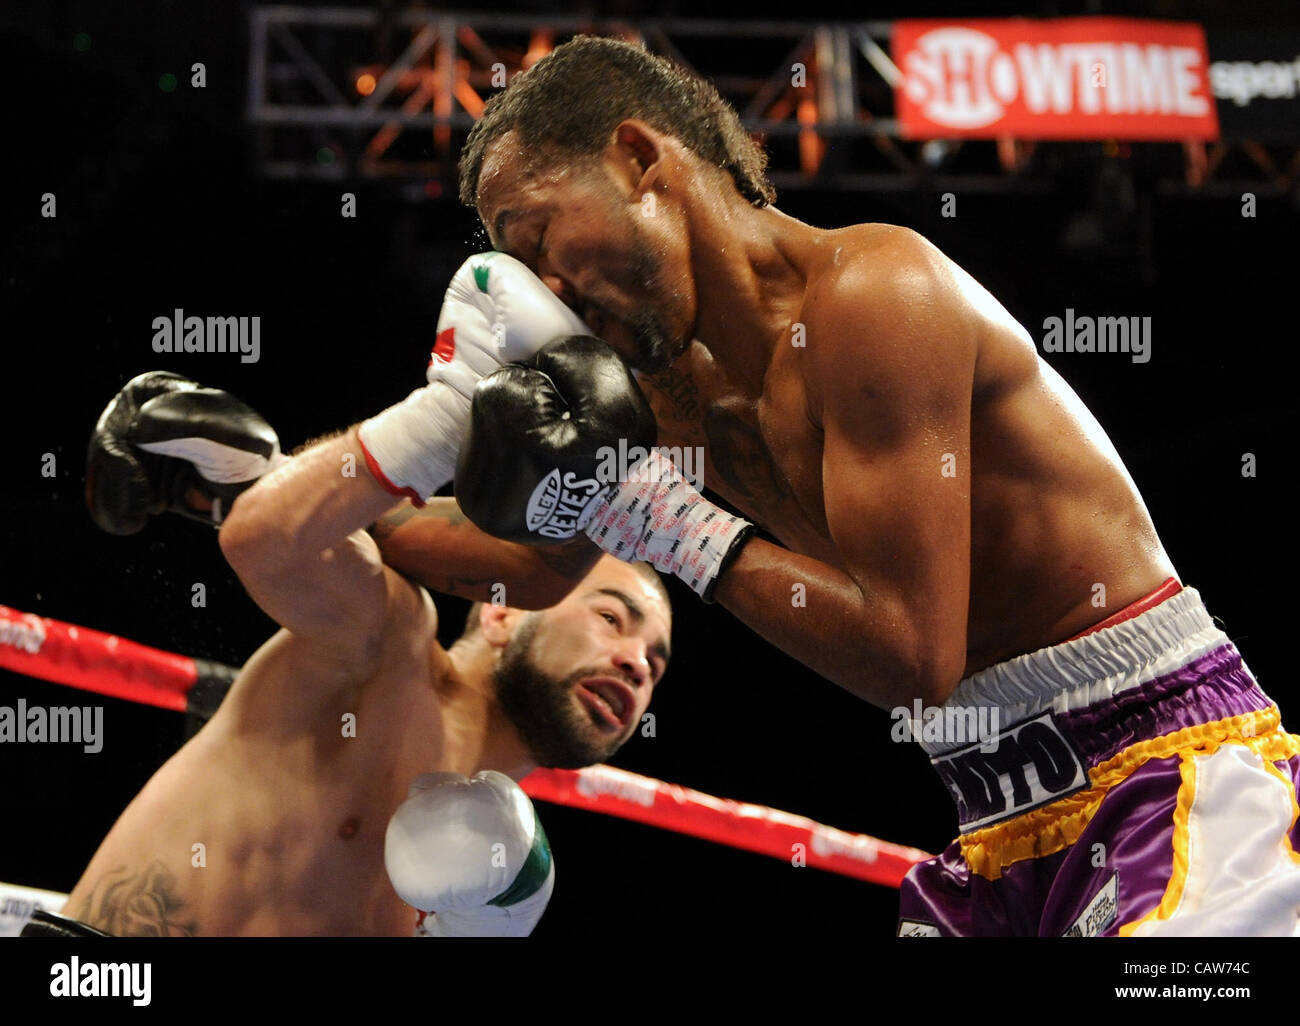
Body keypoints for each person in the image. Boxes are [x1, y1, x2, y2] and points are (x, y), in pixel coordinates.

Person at [444, 34, 1300, 936]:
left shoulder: (874, 295)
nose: (547, 288)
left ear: (638, 157)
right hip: (999, 825)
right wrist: (323, 486)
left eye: (540, 237)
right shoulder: (668, 400)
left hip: (1163, 769)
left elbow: (912, 657)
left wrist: (662, 518)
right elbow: (533, 563)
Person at [32, 254, 671, 938]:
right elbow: (268, 540)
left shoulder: (495, 880)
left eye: (658, 663)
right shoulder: (387, 640)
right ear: (502, 612)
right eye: (612, 617)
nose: (637, 663)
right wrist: (445, 418)